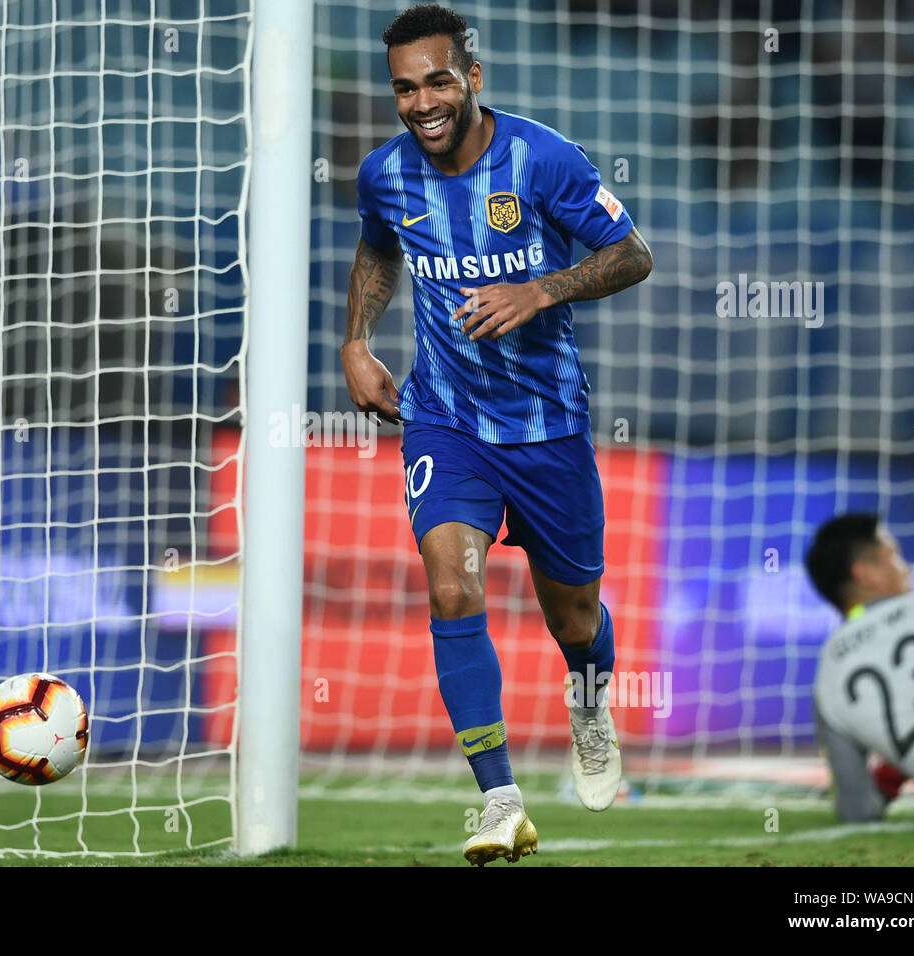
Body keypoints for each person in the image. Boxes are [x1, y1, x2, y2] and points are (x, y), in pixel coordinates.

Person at [340, 4, 652, 865]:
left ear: (472, 78)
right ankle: (499, 800)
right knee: (452, 586)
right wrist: (357, 339)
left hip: (548, 428)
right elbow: (378, 250)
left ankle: (589, 702)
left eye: (438, 80)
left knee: (575, 614)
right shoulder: (384, 175)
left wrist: (542, 289)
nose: (422, 101)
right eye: (405, 87)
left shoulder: (540, 159)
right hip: (444, 419)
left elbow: (632, 255)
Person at [805, 512, 914, 826]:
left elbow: (858, 811)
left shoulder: (828, 680)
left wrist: (892, 774)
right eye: (894, 557)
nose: (906, 568)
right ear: (866, 574)